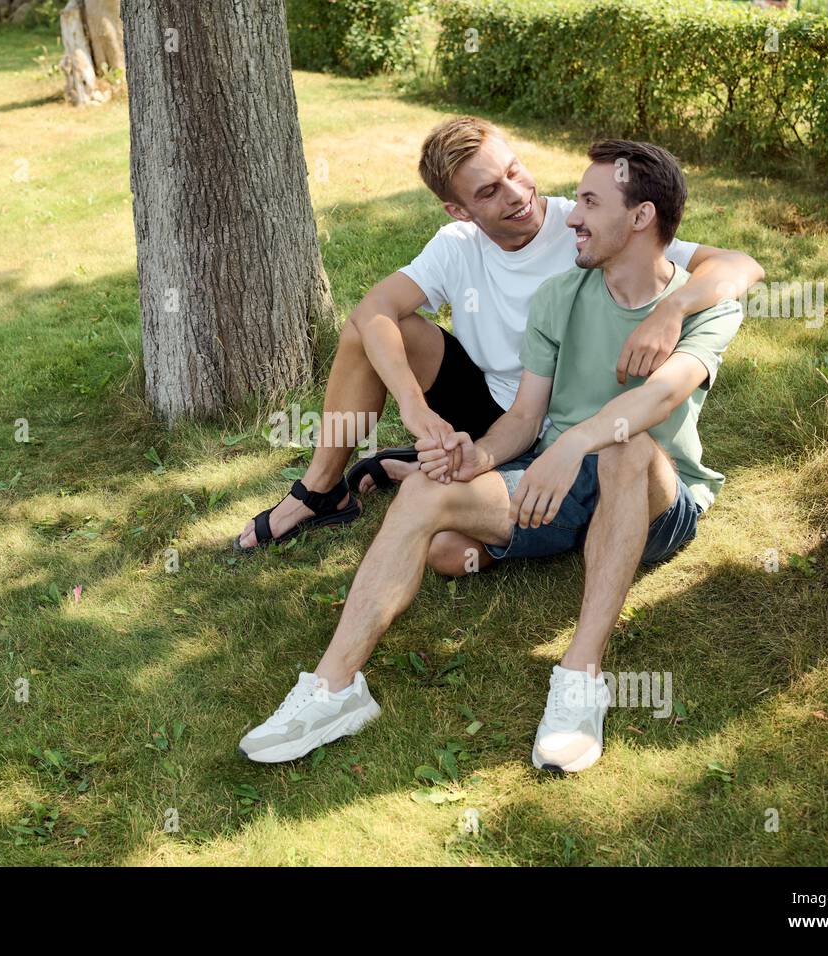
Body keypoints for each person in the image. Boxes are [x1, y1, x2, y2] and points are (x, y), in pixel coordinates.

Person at [239, 140, 744, 774]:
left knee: (625, 447)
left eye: (587, 202)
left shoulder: (707, 307)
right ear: (459, 209)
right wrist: (471, 457)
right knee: (427, 492)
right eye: (488, 189)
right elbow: (525, 418)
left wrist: (576, 442)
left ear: (641, 218)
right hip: (560, 479)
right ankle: (333, 690)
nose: (569, 216)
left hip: (657, 495)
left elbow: (661, 397)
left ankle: (580, 678)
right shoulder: (560, 296)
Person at [234, 116, 762, 551]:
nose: (517, 195)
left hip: (572, 419)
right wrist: (414, 407)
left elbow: (741, 266)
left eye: (514, 171)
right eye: (489, 191)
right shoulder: (456, 245)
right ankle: (322, 491)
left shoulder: (586, 225)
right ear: (460, 210)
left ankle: (439, 471)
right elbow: (374, 308)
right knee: (368, 331)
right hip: (501, 410)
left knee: (452, 541)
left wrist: (672, 312)